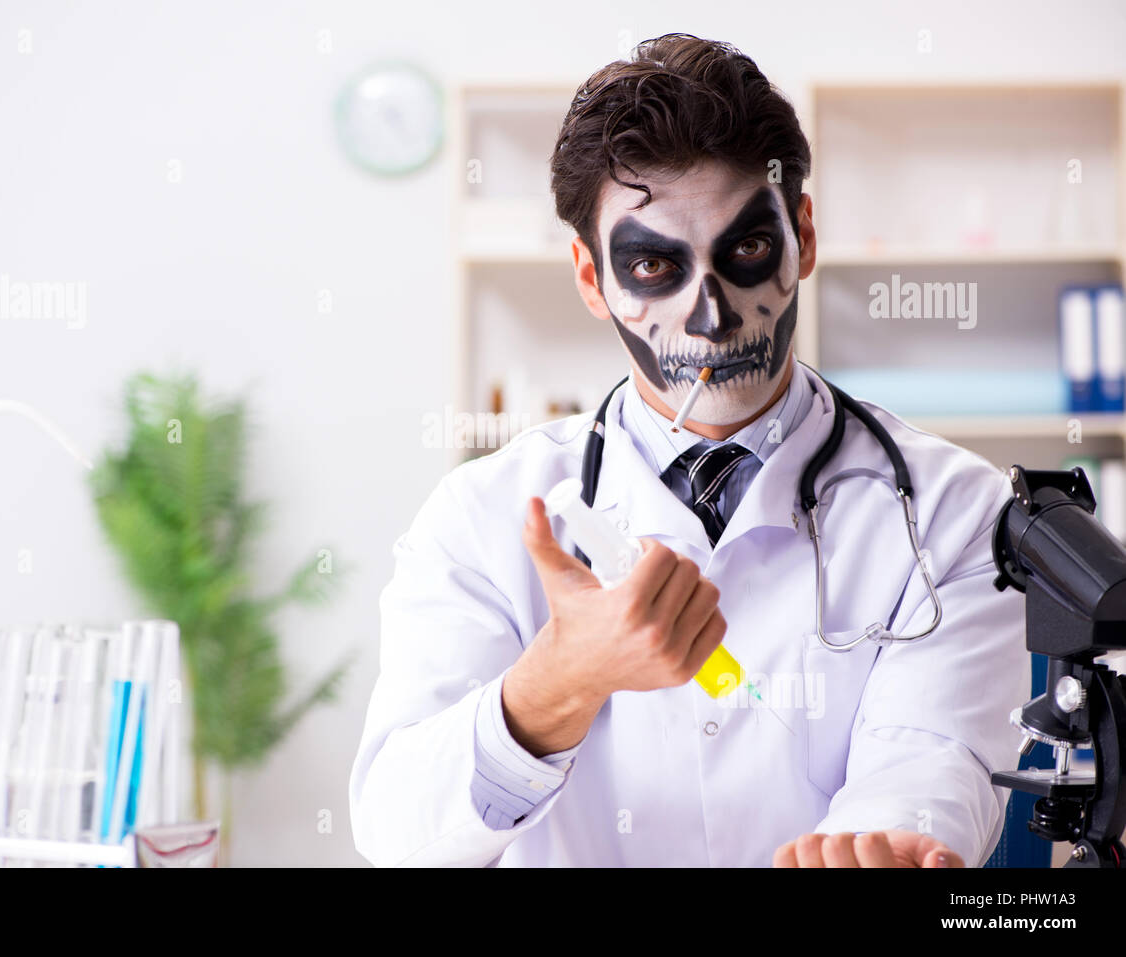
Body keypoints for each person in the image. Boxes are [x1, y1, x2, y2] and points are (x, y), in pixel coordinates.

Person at [349, 33, 1029, 867]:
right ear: (592, 278)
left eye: (746, 250)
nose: (711, 317)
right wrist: (553, 685)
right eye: (652, 266)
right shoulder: (482, 515)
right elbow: (398, 835)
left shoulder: (954, 511)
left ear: (802, 236)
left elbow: (932, 760)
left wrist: (879, 847)